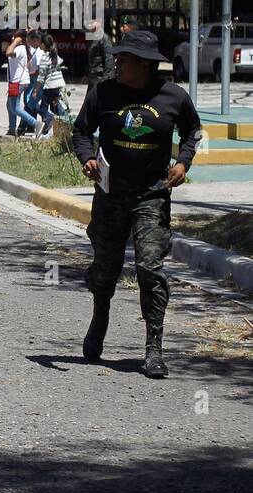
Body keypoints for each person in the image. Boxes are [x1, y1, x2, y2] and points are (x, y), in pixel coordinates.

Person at [72, 29, 201, 379]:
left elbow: (192, 131)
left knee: (150, 267)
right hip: (111, 194)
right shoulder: (104, 93)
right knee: (105, 268)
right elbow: (81, 131)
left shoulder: (173, 97)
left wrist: (183, 162)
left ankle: (153, 346)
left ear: (144, 66)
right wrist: (87, 158)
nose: (117, 63)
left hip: (152, 194)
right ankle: (100, 312)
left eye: (124, 59)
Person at [5, 31, 38, 136]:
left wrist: (15, 42)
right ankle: (11, 129)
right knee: (9, 105)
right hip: (16, 82)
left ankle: (36, 124)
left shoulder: (19, 48)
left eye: (14, 37)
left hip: (19, 82)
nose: (12, 38)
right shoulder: (21, 48)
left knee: (15, 108)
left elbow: (8, 52)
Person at [86, 18, 115, 91]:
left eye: (92, 22)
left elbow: (109, 60)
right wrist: (86, 74)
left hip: (101, 78)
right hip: (93, 78)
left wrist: (106, 80)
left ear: (99, 22)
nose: (89, 25)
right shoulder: (91, 37)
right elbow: (90, 58)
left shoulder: (104, 38)